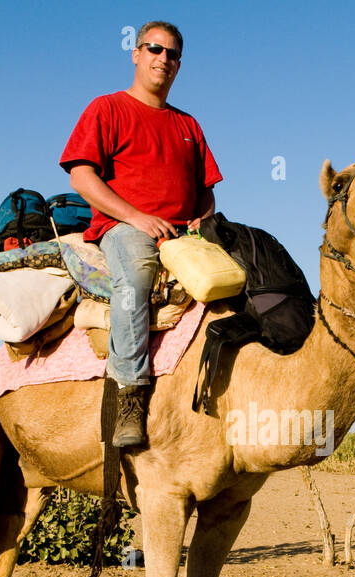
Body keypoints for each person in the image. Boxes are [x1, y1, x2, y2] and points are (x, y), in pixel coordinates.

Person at [59, 21, 222, 448]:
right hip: (123, 227)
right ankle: (130, 394)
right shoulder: (107, 108)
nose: (162, 59)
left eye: (171, 54)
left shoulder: (189, 125)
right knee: (134, 281)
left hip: (182, 233)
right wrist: (136, 217)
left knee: (239, 274)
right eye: (154, 49)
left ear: (179, 65)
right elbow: (81, 176)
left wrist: (202, 224)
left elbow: (206, 192)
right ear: (136, 53)